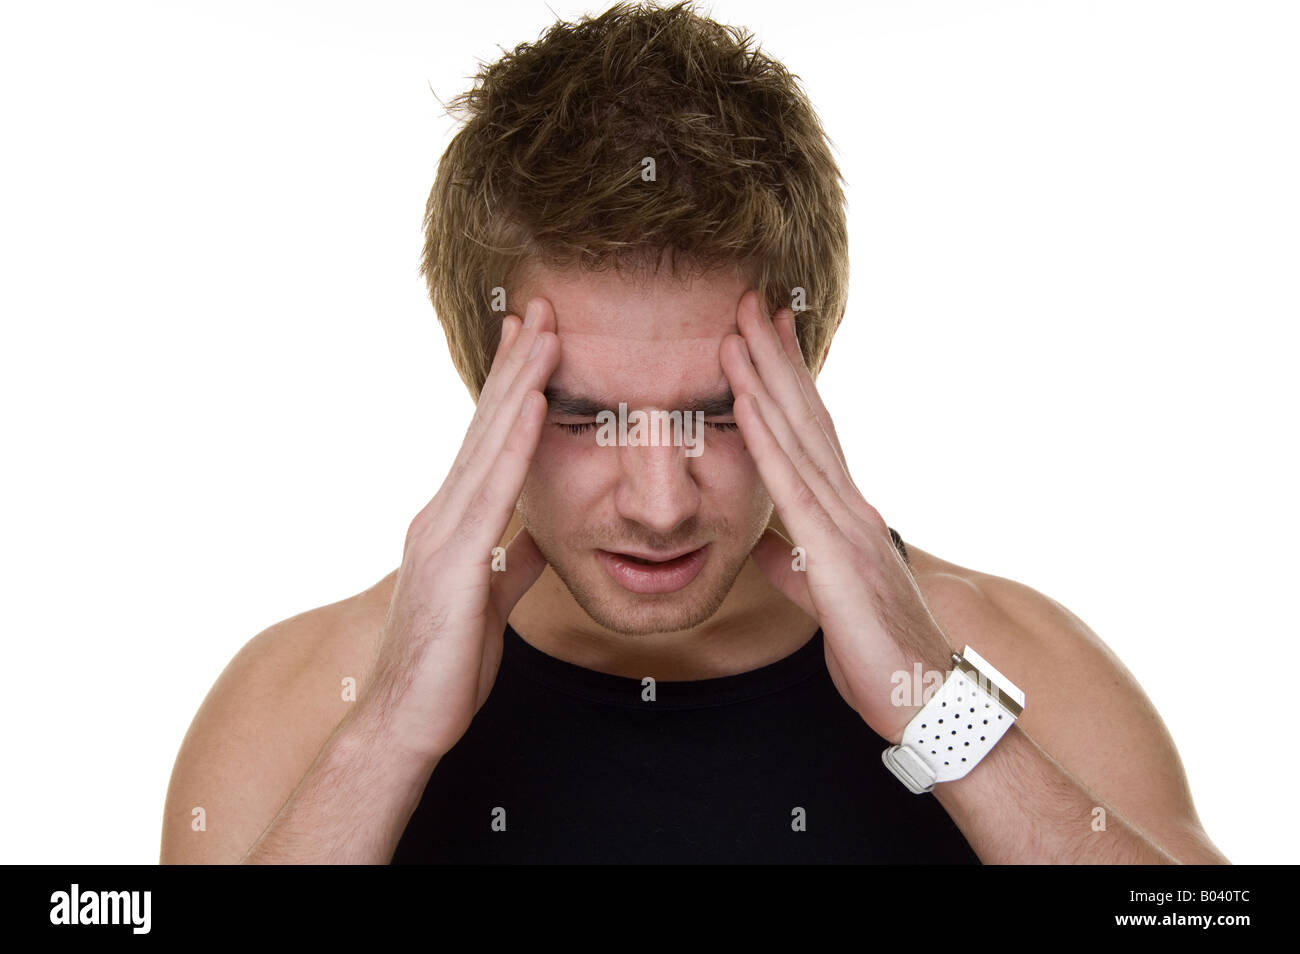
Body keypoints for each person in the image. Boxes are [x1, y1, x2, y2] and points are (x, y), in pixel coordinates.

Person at [160, 0, 1228, 864]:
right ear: (477, 376)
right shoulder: (303, 705)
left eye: (717, 413)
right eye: (580, 415)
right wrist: (387, 737)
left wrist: (936, 711)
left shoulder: (1017, 672)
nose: (659, 504)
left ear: (806, 367)